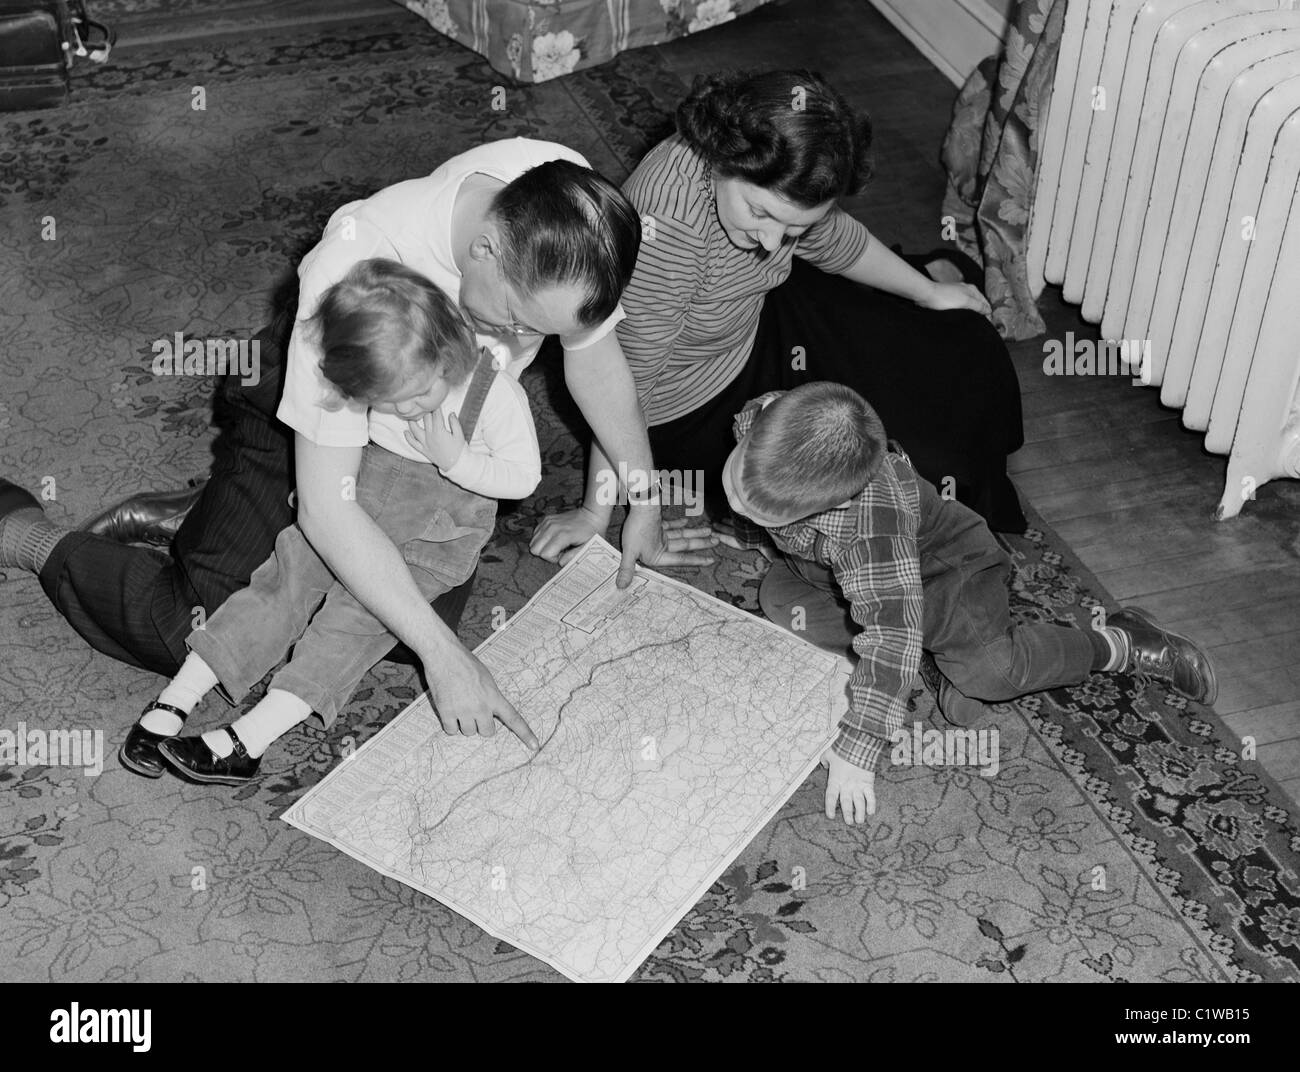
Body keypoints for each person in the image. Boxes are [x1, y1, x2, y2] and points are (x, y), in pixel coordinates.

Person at [0, 138, 715, 741]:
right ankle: (27, 532)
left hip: (415, 450)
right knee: (189, 632)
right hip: (316, 404)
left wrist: (642, 498)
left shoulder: (571, 215)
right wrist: (449, 659)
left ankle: (215, 512)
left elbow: (594, 359)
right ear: (488, 248)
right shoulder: (357, 262)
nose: (530, 342)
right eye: (522, 321)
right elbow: (331, 509)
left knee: (390, 616)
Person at [532, 68, 1027, 571]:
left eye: (794, 228)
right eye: (760, 214)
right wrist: (601, 510)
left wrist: (929, 293)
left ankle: (926, 272)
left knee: (960, 345)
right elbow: (620, 381)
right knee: (906, 477)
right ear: (723, 160)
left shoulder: (778, 188)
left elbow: (833, 240)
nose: (772, 242)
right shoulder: (669, 229)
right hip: (689, 406)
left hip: (757, 316)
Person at [120, 259, 540, 784]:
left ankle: (247, 741)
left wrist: (458, 460)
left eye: (413, 397)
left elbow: (525, 478)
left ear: (446, 351)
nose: (404, 410)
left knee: (347, 628)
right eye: (384, 402)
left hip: (428, 540)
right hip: (359, 503)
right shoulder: (381, 369)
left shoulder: (494, 394)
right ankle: (178, 698)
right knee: (277, 585)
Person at [718, 383, 1217, 826]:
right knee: (779, 599)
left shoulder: (872, 529)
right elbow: (755, 482)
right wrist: (751, 529)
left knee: (993, 673)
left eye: (753, 506)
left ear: (836, 504)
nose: (736, 501)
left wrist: (857, 750)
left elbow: (891, 637)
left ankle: (1120, 641)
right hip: (842, 576)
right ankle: (934, 662)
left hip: (947, 577)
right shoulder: (768, 421)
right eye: (737, 475)